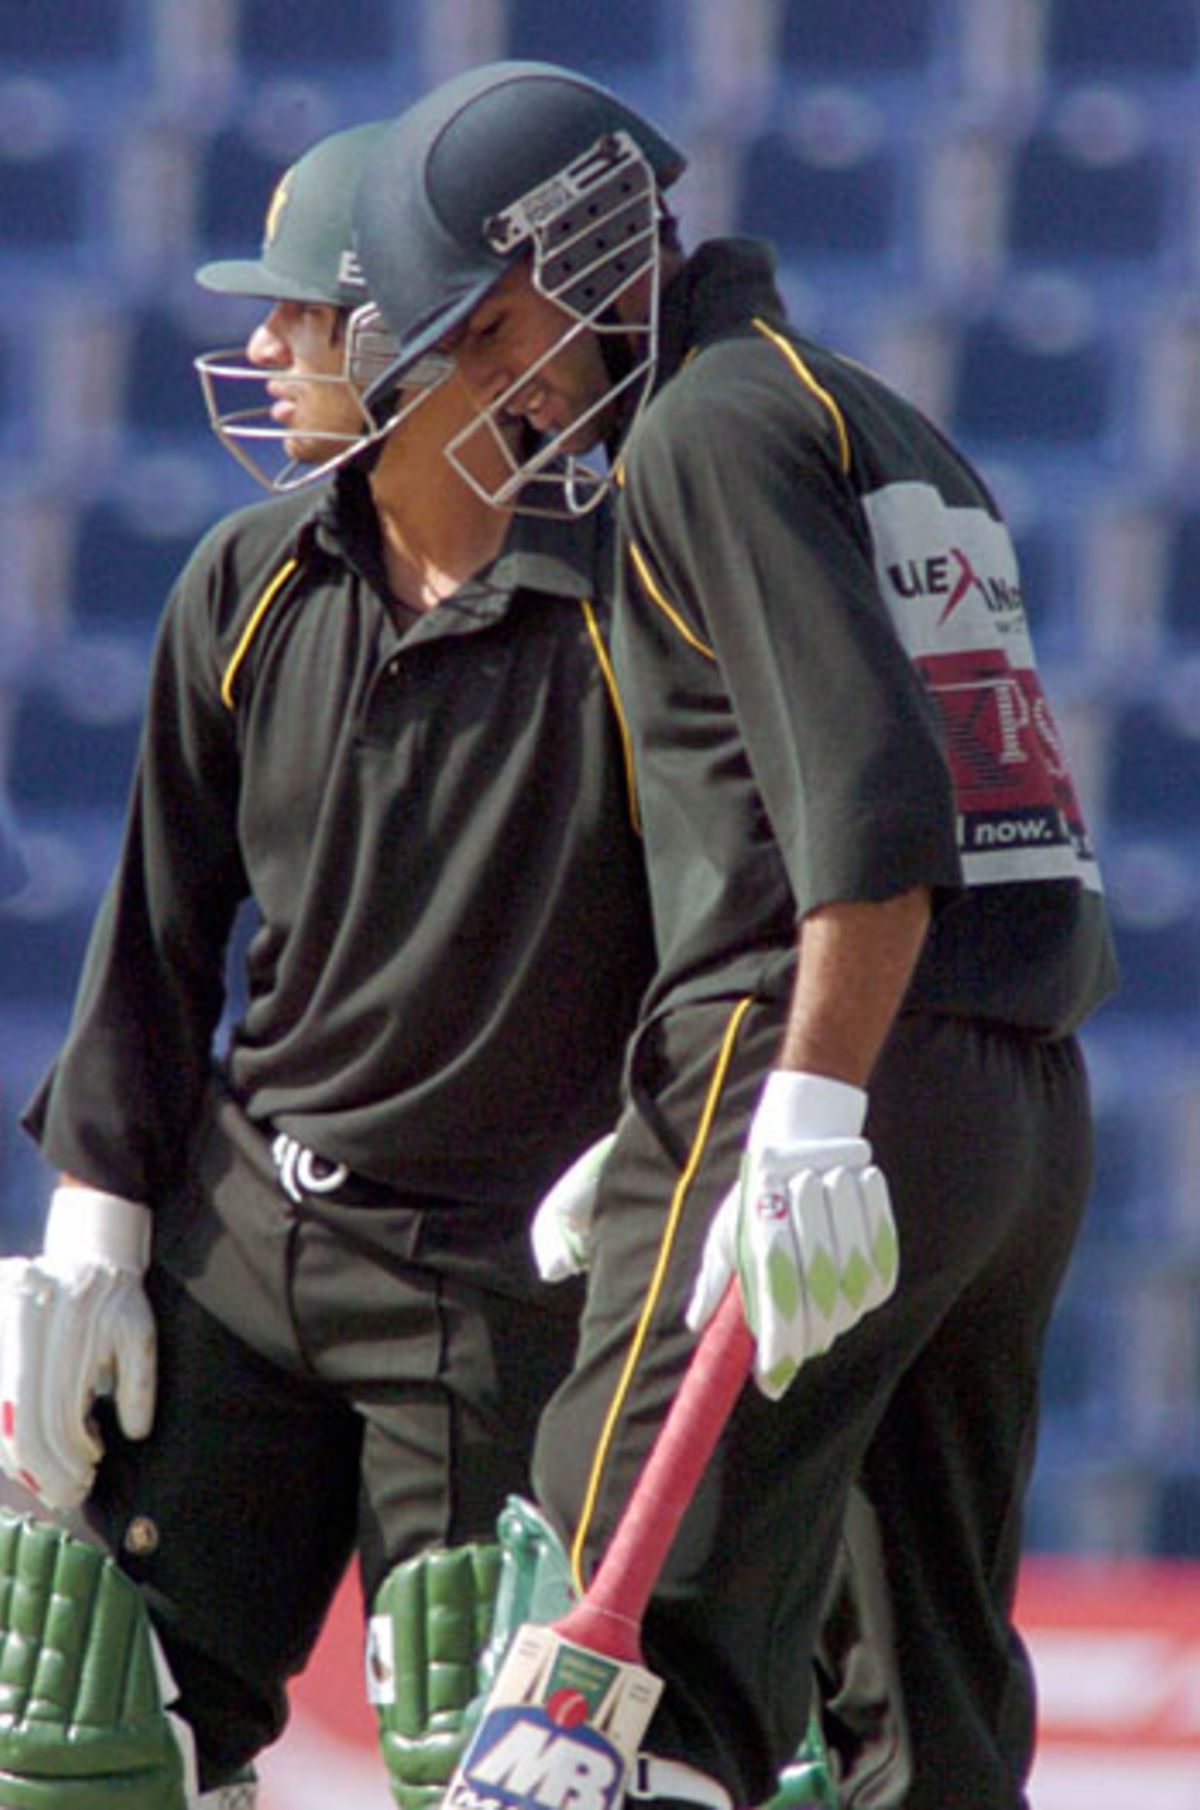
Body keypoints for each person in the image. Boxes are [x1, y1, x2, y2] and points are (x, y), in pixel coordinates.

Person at [349, 60, 1120, 1810]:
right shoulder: (868, 412)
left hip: (816, 1058)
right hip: (1010, 1115)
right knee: (921, 1704)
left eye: (493, 332)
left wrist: (802, 1108)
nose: (494, 388)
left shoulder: (704, 433)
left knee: (619, 1657)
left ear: (588, 251)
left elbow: (871, 817)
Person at [0, 120, 657, 1809]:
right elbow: (156, 942)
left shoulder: (628, 610)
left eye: (304, 312)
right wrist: (94, 1224)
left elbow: (739, 923)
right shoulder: (246, 582)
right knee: (69, 1728)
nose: (266, 344)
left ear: (423, 338)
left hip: (495, 1284)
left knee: (480, 1760)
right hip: (247, 1241)